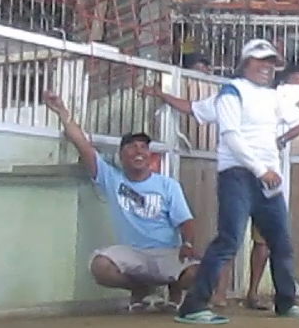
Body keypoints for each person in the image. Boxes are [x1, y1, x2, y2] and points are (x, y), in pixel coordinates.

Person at [144, 39, 299, 324]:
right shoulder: (231, 93)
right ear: (246, 63)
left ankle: (286, 302)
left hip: (264, 177)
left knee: (279, 241)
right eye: (262, 61)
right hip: (240, 174)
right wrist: (263, 170)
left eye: (271, 62)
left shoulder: (270, 97)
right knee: (230, 239)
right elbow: (231, 138)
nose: (268, 67)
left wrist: (278, 145)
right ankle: (195, 305)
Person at [42, 92, 201, 311]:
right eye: (132, 147)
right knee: (100, 267)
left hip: (167, 252)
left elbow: (186, 222)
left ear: (149, 156)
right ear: (121, 155)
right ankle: (139, 289)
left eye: (144, 147)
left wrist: (188, 244)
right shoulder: (111, 179)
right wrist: (61, 111)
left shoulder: (168, 185)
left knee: (199, 272)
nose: (139, 151)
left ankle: (173, 289)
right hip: (133, 253)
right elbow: (82, 144)